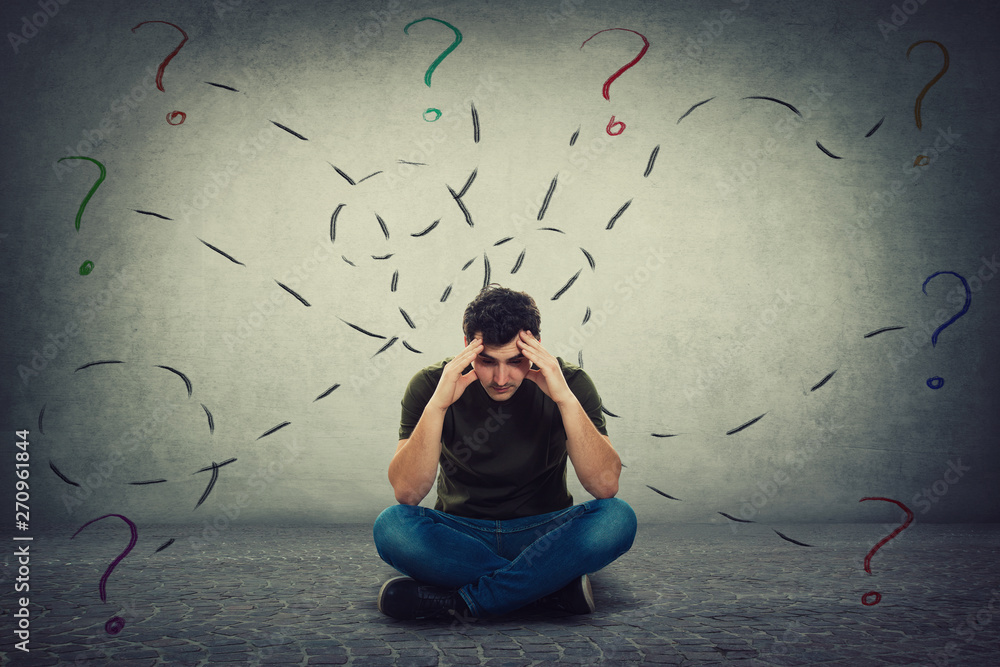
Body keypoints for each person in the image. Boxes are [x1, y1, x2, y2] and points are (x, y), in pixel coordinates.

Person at [372, 285, 637, 620]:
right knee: (391, 526)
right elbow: (407, 492)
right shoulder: (430, 384)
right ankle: (545, 588)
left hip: (545, 535)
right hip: (460, 536)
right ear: (468, 347)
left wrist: (564, 400)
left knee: (618, 517)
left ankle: (464, 602)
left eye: (515, 361)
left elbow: (604, 486)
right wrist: (438, 405)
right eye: (487, 362)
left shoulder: (571, 382)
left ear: (535, 346)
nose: (501, 378)